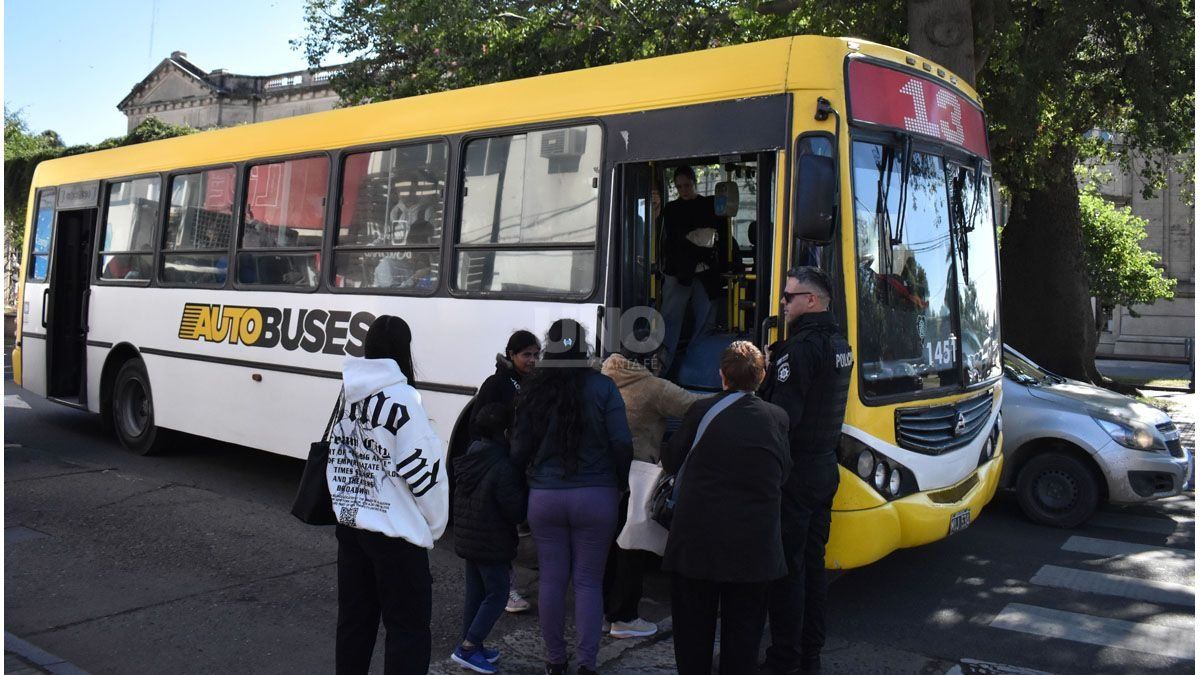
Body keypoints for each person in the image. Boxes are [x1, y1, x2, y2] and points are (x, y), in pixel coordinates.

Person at [326, 315, 449, 675]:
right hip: (397, 536)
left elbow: (336, 454)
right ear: (404, 351)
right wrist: (433, 526)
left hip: (352, 527)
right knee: (407, 631)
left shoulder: (348, 393)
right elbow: (424, 473)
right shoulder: (404, 399)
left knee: (354, 624)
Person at [511, 319, 634, 675]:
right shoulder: (603, 387)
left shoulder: (535, 389)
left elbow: (519, 448)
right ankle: (586, 664)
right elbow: (622, 442)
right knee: (588, 581)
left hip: (545, 496)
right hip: (596, 495)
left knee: (551, 579)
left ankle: (554, 661)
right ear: (585, 349)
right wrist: (620, 482)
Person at [662, 341, 791, 675]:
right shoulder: (777, 418)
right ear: (761, 376)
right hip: (754, 546)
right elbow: (783, 473)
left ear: (722, 375)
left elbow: (672, 460)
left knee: (692, 635)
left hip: (697, 541)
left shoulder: (700, 411)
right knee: (744, 638)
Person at [759, 267, 854, 675]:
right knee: (814, 566)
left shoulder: (799, 350)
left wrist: (763, 382)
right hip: (824, 467)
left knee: (789, 569)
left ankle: (784, 658)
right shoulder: (840, 344)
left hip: (796, 471)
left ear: (811, 301)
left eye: (789, 296)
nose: (782, 303)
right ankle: (810, 655)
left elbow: (782, 417)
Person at [600, 327, 704, 638]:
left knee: (607, 545)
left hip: (601, 473)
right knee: (632, 546)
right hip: (637, 475)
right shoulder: (653, 387)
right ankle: (624, 617)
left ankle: (604, 612)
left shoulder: (604, 374)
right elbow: (695, 405)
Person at [450, 403, 528, 674]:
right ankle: (469, 647)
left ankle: (472, 643)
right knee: (497, 593)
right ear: (505, 432)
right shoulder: (503, 466)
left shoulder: (471, 456)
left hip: (469, 539)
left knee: (475, 593)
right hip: (492, 542)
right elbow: (515, 511)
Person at [470, 329, 541, 614]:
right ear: (511, 354)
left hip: (521, 464)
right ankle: (505, 591)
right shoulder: (497, 383)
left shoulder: (532, 382)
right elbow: (479, 423)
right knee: (502, 532)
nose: (532, 360)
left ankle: (502, 588)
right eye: (526, 355)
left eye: (536, 354)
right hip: (499, 465)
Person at [658, 165, 726, 372]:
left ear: (694, 183)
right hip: (682, 270)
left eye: (686, 185)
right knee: (669, 319)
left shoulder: (707, 205)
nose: (683, 190)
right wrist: (696, 240)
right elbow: (677, 239)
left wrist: (690, 239)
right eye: (679, 187)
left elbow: (710, 237)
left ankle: (696, 364)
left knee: (706, 318)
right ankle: (663, 366)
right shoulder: (671, 209)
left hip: (701, 270)